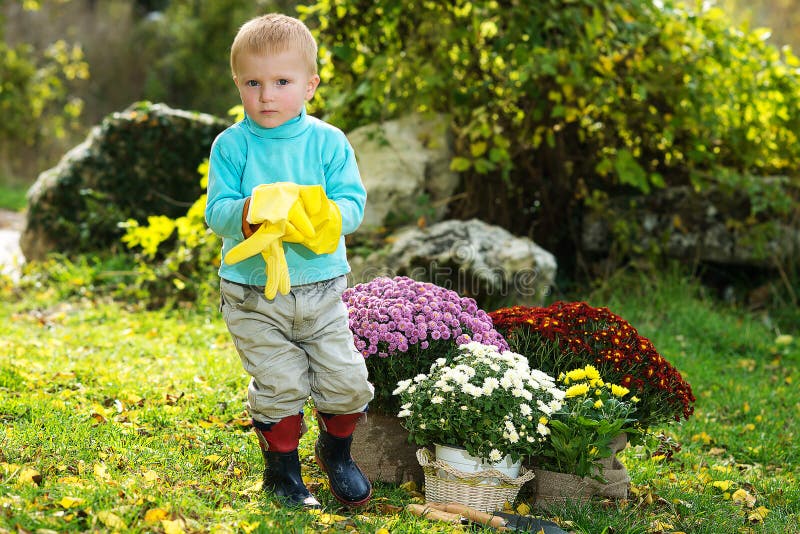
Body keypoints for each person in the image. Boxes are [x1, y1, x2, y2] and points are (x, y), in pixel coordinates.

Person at [204, 13, 373, 509]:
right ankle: (282, 471)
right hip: (252, 293)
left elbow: (352, 204)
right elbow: (217, 212)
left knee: (346, 381)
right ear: (238, 83)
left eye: (282, 82)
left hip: (321, 289)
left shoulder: (328, 142)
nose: (266, 95)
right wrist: (254, 211)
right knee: (281, 384)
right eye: (253, 83)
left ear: (310, 85)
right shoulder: (231, 145)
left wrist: (319, 216)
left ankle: (336, 453)